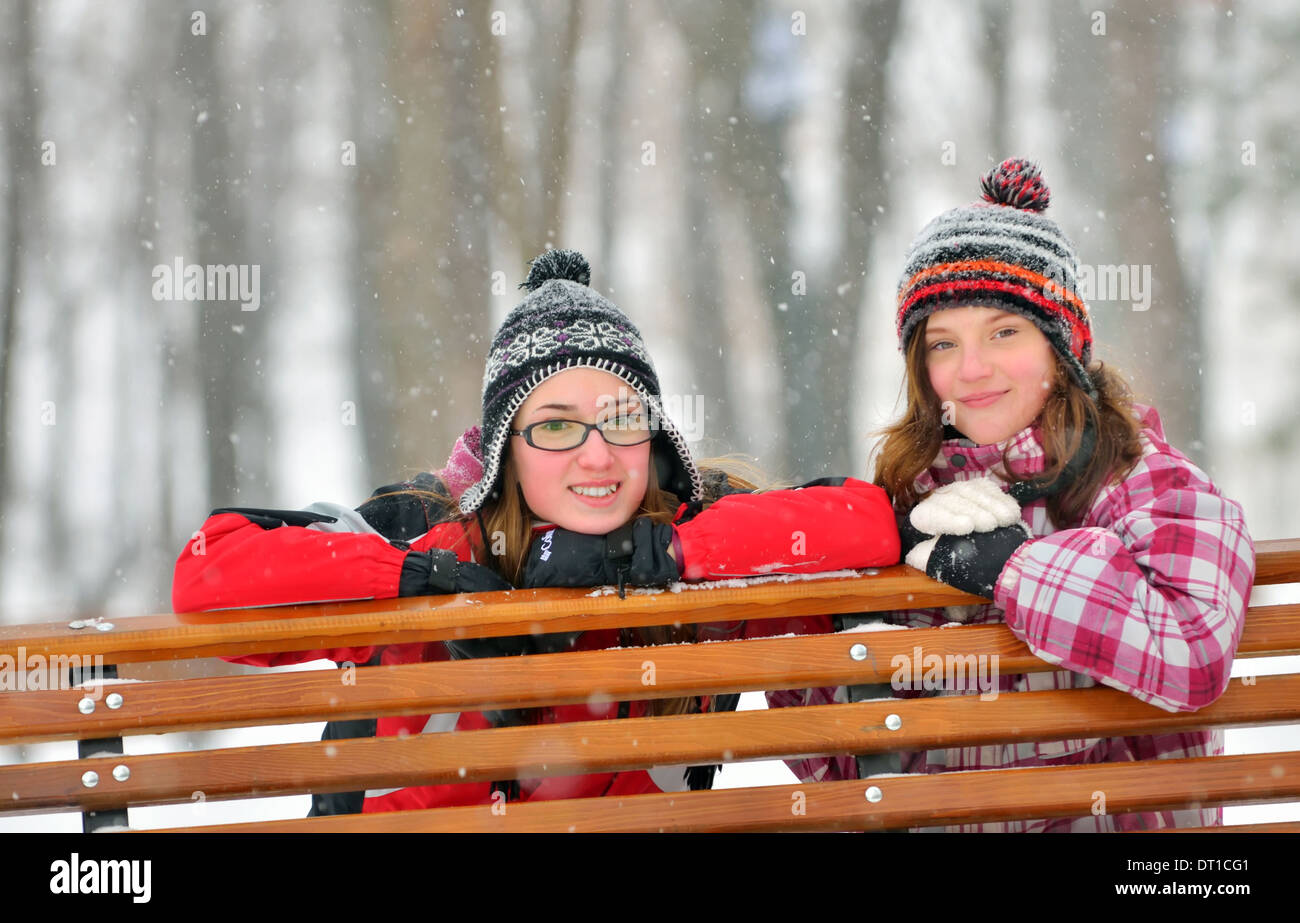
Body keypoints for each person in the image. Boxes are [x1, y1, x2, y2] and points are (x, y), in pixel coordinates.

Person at [172, 248, 901, 814]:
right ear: (504, 450)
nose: (595, 453)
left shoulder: (701, 533)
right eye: (554, 425)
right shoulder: (427, 529)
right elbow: (208, 569)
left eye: (620, 418)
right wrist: (421, 580)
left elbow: (865, 521)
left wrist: (657, 554)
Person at [771, 158, 1256, 832]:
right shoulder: (910, 503)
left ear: (1062, 349)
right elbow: (854, 772)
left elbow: (1190, 649)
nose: (971, 369)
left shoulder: (1153, 486)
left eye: (1004, 331)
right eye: (943, 344)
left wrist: (1009, 567)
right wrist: (808, 544)